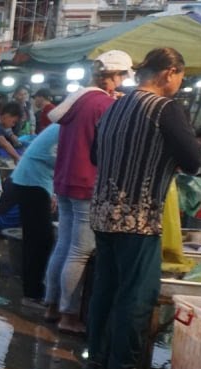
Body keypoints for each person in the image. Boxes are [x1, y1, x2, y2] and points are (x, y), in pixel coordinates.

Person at [87, 47, 200, 369]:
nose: (179, 85)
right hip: (138, 217)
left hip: (103, 213)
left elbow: (95, 155)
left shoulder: (115, 105)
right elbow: (193, 161)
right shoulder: (165, 108)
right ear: (169, 72)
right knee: (136, 294)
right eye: (181, 77)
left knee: (105, 288)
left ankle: (97, 359)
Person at [42, 51, 132, 335]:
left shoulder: (78, 100)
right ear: (114, 76)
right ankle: (69, 315)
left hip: (65, 180)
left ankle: (51, 305)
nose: (123, 82)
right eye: (122, 76)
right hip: (87, 183)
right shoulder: (104, 105)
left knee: (64, 245)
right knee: (80, 251)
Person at [0, 124, 60, 303]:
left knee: (39, 239)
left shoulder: (62, 126)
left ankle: (33, 290)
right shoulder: (68, 127)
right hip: (33, 182)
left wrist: (54, 192)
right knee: (40, 240)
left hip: (33, 181)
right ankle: (33, 294)